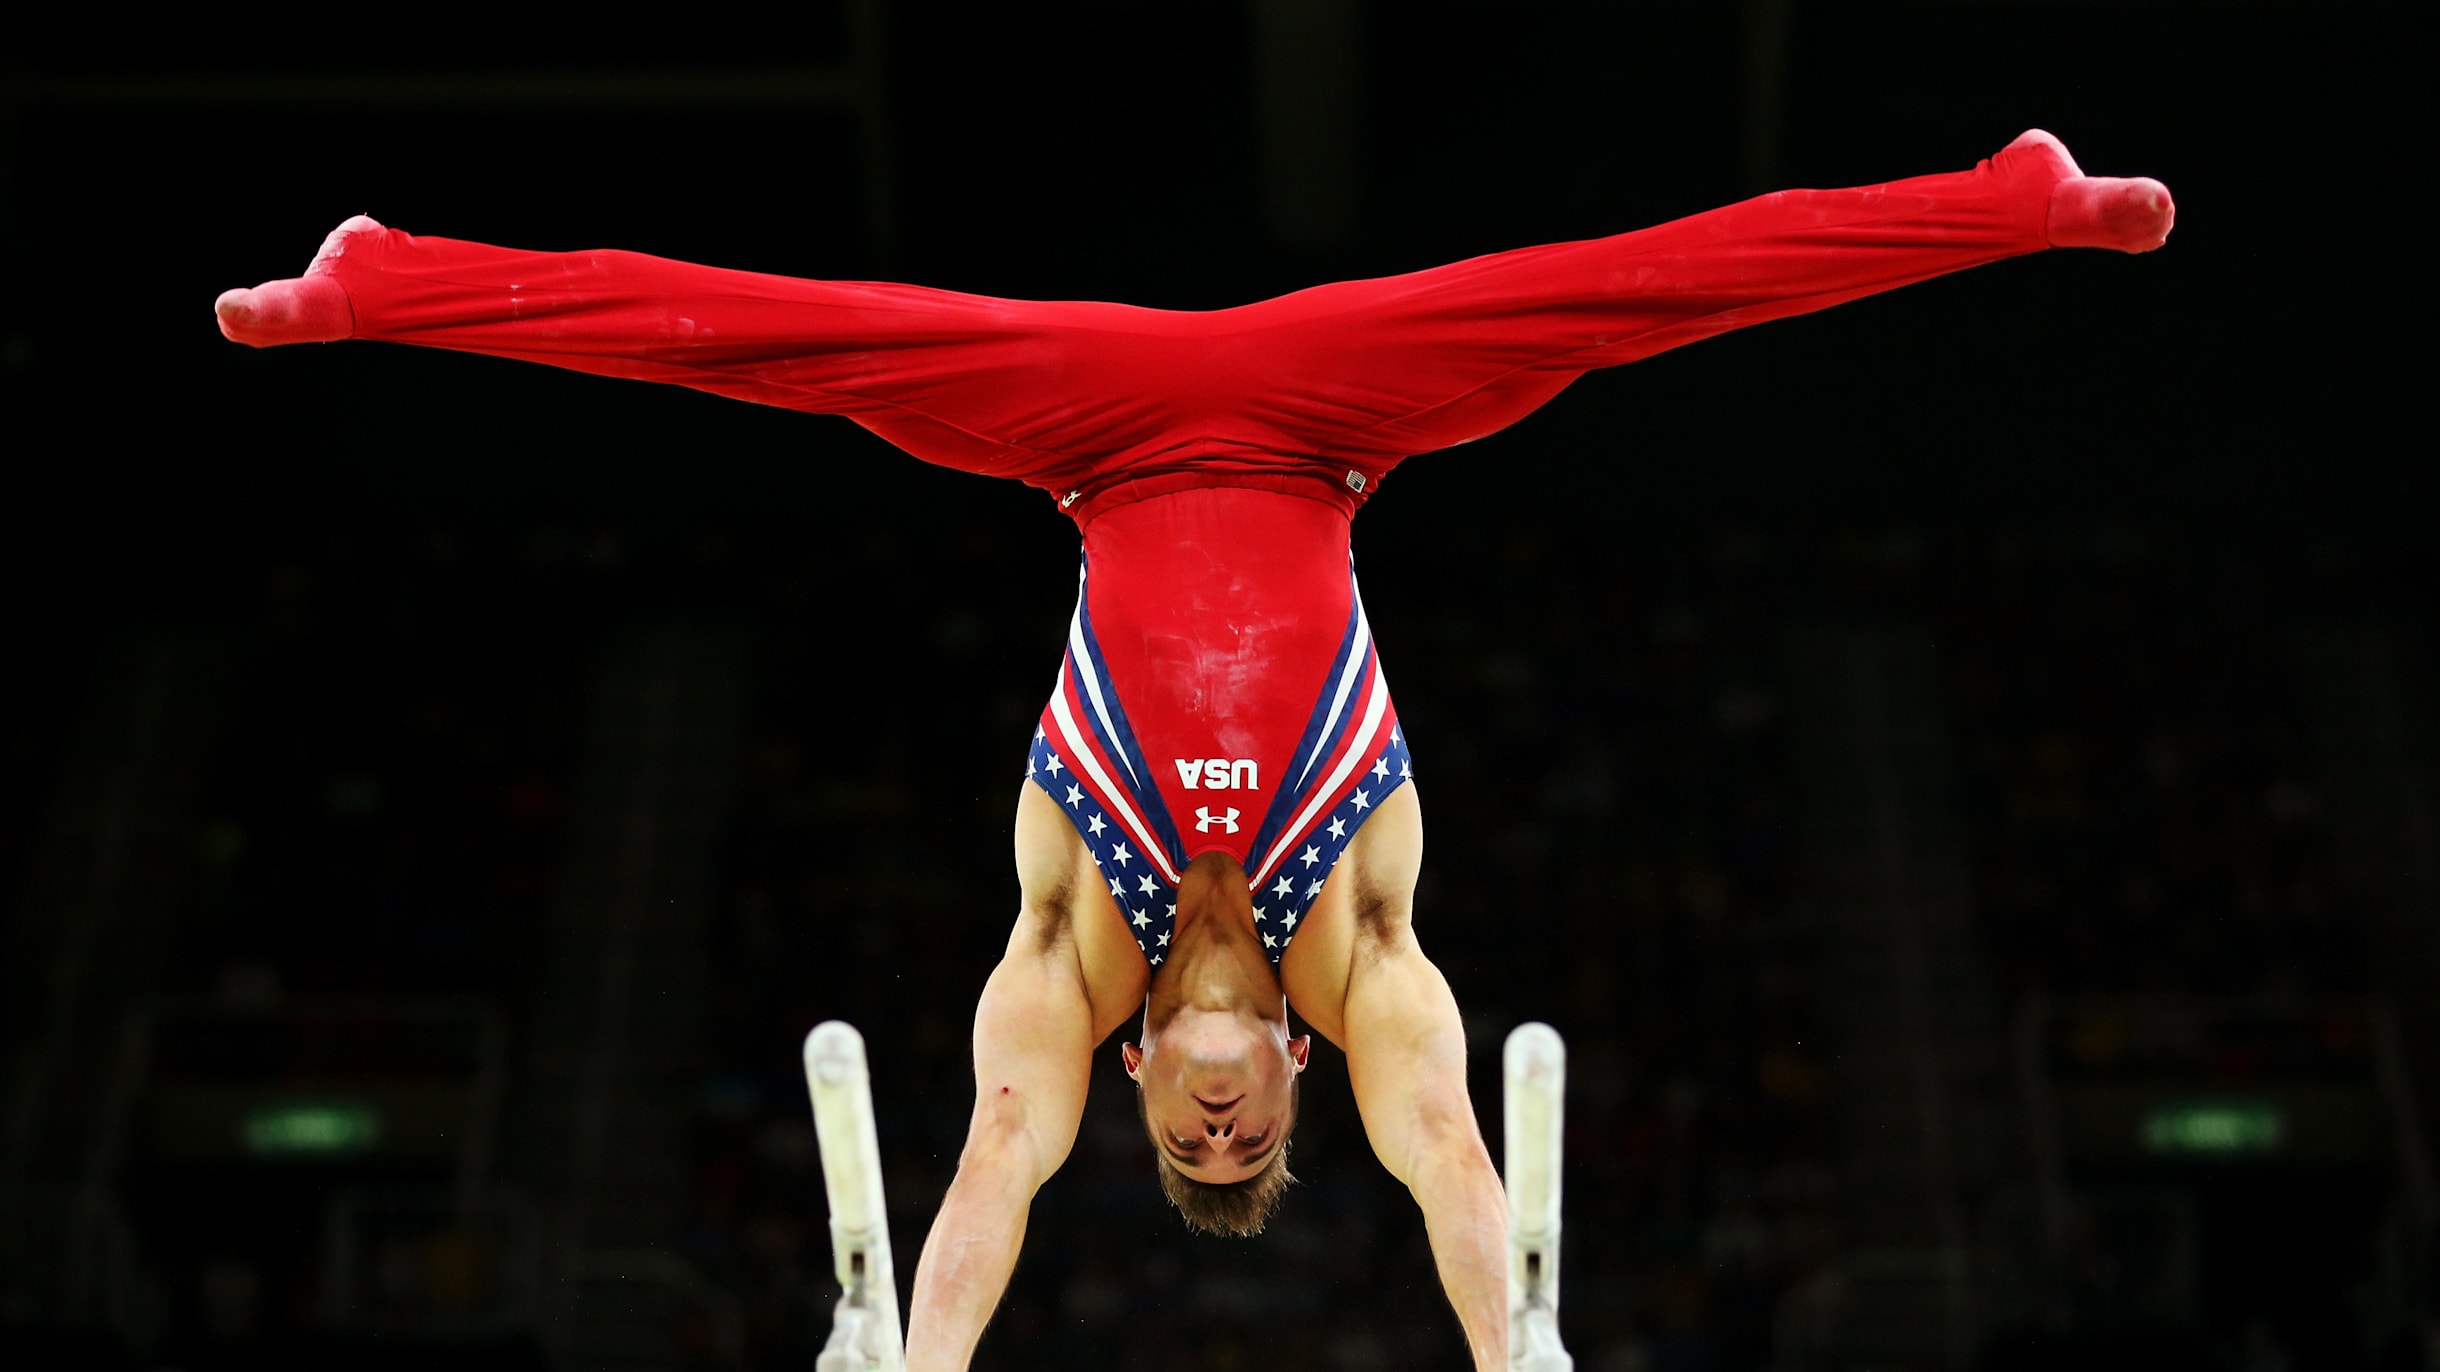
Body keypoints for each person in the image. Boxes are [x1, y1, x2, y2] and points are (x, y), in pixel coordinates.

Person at [216, 129, 2172, 1371]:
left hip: (1090, 435)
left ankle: (385, 272)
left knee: (772, 336)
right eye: (1246, 1137)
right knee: (1627, 293)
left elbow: (987, 1163)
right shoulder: (1367, 959)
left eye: (1180, 1132)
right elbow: (1450, 1165)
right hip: (1328, 421)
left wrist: (910, 1356)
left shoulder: (1067, 960)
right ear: (1289, 1065)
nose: (1215, 1125)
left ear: (1142, 1067)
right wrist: (1521, 1346)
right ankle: (2004, 200)